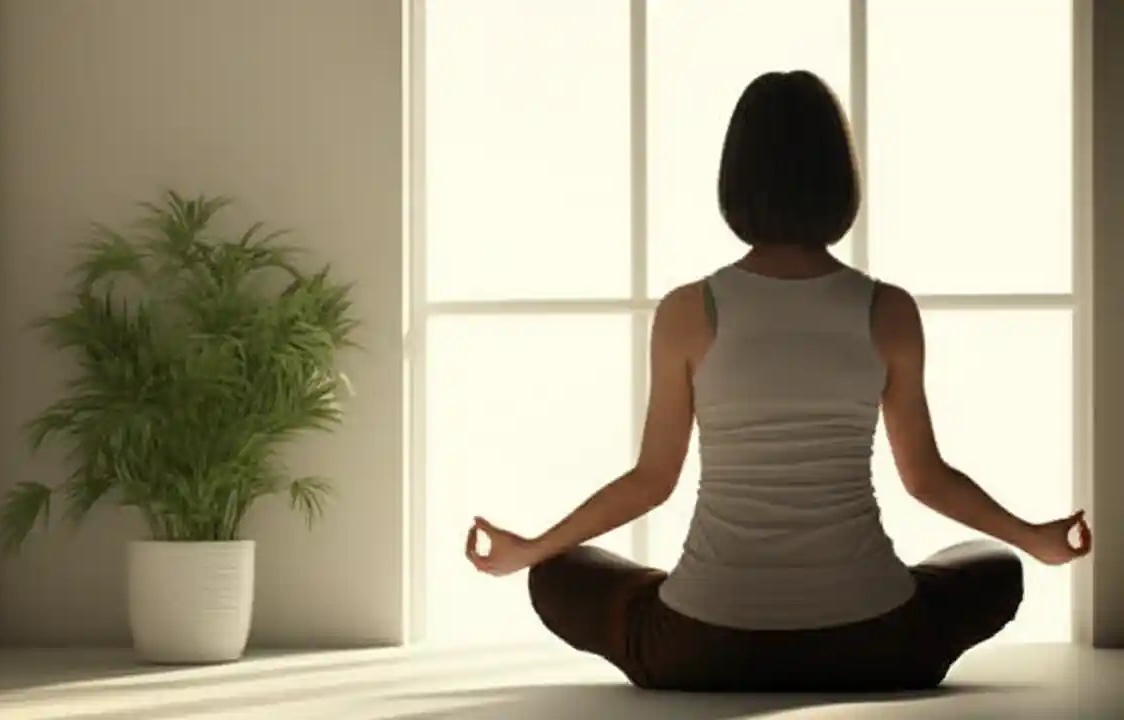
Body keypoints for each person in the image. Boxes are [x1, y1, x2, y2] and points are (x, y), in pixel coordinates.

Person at [463, 69, 1093, 692]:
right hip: (880, 642)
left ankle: (693, 597)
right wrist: (1033, 539)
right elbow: (926, 478)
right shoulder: (888, 310)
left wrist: (531, 548)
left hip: (700, 646)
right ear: (842, 181)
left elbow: (652, 481)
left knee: (557, 574)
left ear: (733, 182)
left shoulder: (689, 311)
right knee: (993, 566)